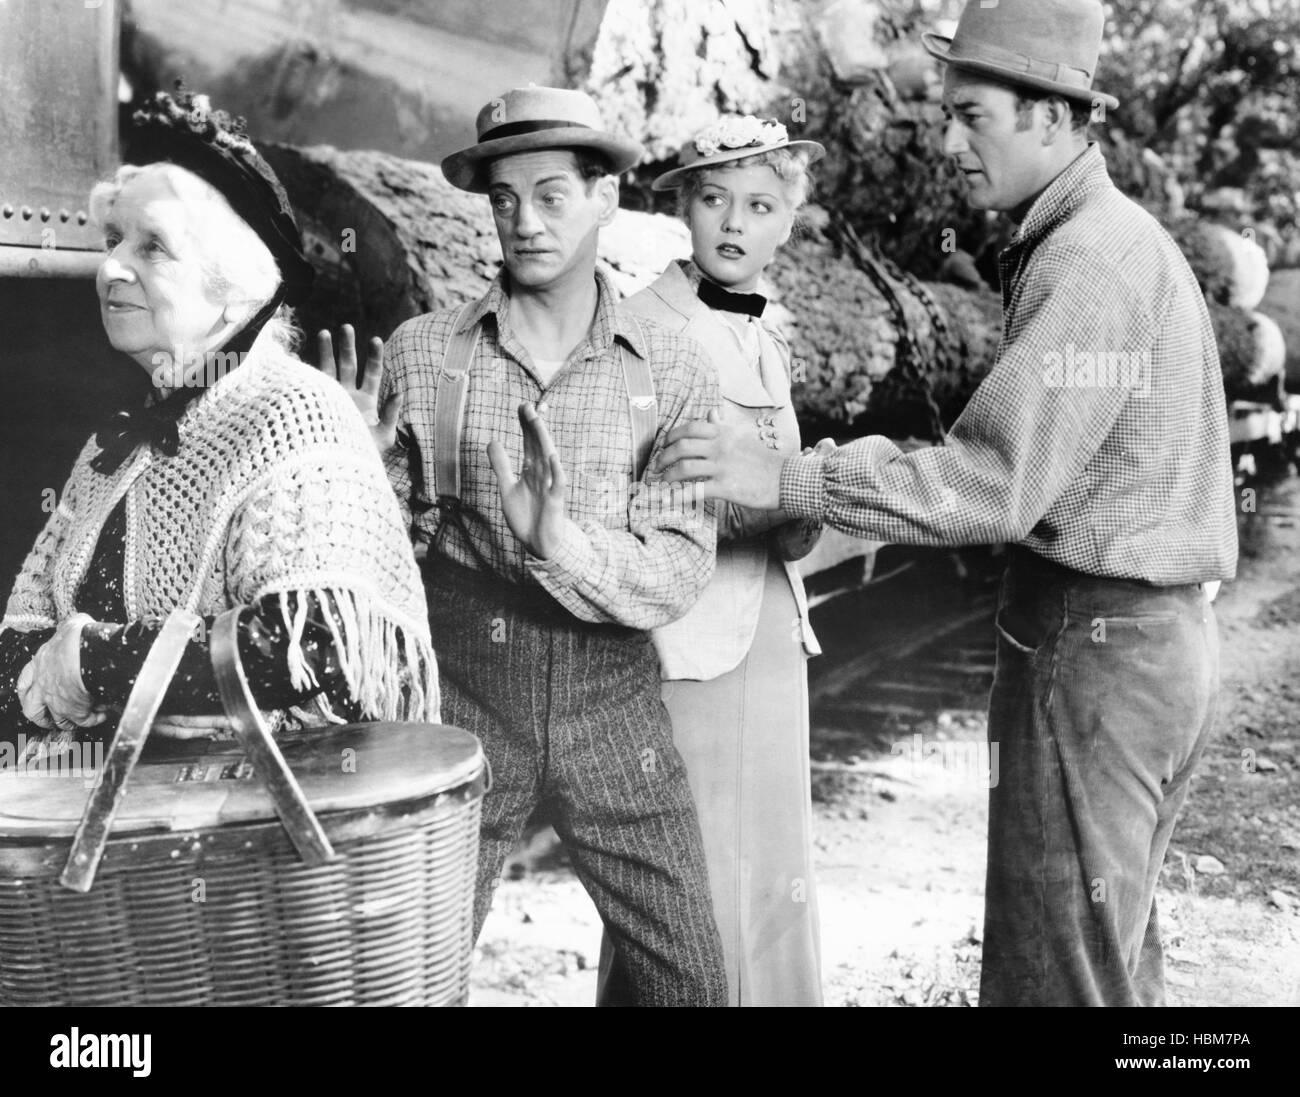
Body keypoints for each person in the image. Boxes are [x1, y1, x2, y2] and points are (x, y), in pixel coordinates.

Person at [656, 0, 1237, 1007]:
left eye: (974, 117)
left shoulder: (1088, 259)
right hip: (1143, 649)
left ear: (1053, 115)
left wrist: (788, 477)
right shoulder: (1105, 240)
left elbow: (988, 483)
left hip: (1095, 655)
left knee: (1051, 985)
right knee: (1107, 975)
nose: (952, 142)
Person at [359, 85, 728, 1006]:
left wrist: (563, 542)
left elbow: (680, 566)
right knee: (406, 968)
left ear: (607, 198)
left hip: (614, 696)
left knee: (690, 979)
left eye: (553, 194)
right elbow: (384, 566)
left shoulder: (672, 366)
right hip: (467, 689)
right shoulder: (422, 354)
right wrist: (359, 482)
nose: (523, 223)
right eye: (503, 200)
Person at [0, 90, 437, 756]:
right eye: (113, 239)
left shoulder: (295, 412)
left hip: (247, 826)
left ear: (229, 282)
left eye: (152, 247)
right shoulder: (111, 447)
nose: (111, 266)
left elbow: (306, 643)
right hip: (100, 812)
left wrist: (92, 664)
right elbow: (19, 638)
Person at [596, 116, 829, 1006]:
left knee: (769, 861)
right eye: (713, 198)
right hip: (688, 635)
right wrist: (792, 492)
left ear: (787, 223)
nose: (734, 222)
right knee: (681, 873)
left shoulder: (766, 329)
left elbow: (779, 493)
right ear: (681, 209)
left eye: (760, 205)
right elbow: (633, 492)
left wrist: (799, 502)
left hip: (769, 626)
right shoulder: (643, 324)